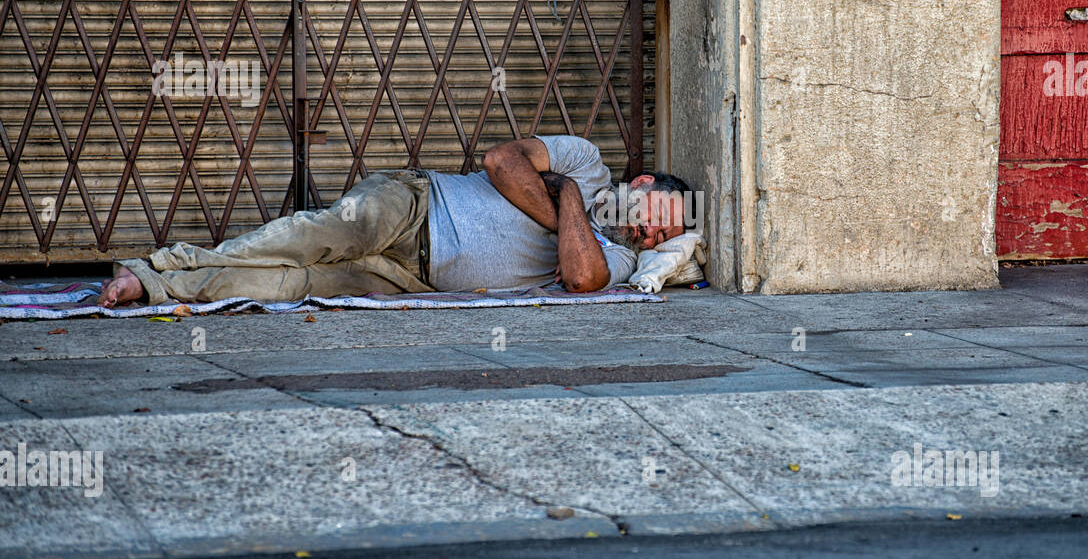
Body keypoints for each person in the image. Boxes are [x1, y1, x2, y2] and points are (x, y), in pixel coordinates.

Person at [97, 135, 692, 307]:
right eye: (658, 219)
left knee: (292, 285)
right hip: (414, 204)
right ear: (642, 185)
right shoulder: (584, 161)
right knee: (313, 238)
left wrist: (566, 206)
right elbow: (500, 160)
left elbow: (579, 280)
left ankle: (154, 286)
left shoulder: (616, 261)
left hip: (413, 281)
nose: (652, 236)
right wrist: (562, 197)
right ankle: (165, 262)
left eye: (664, 239)